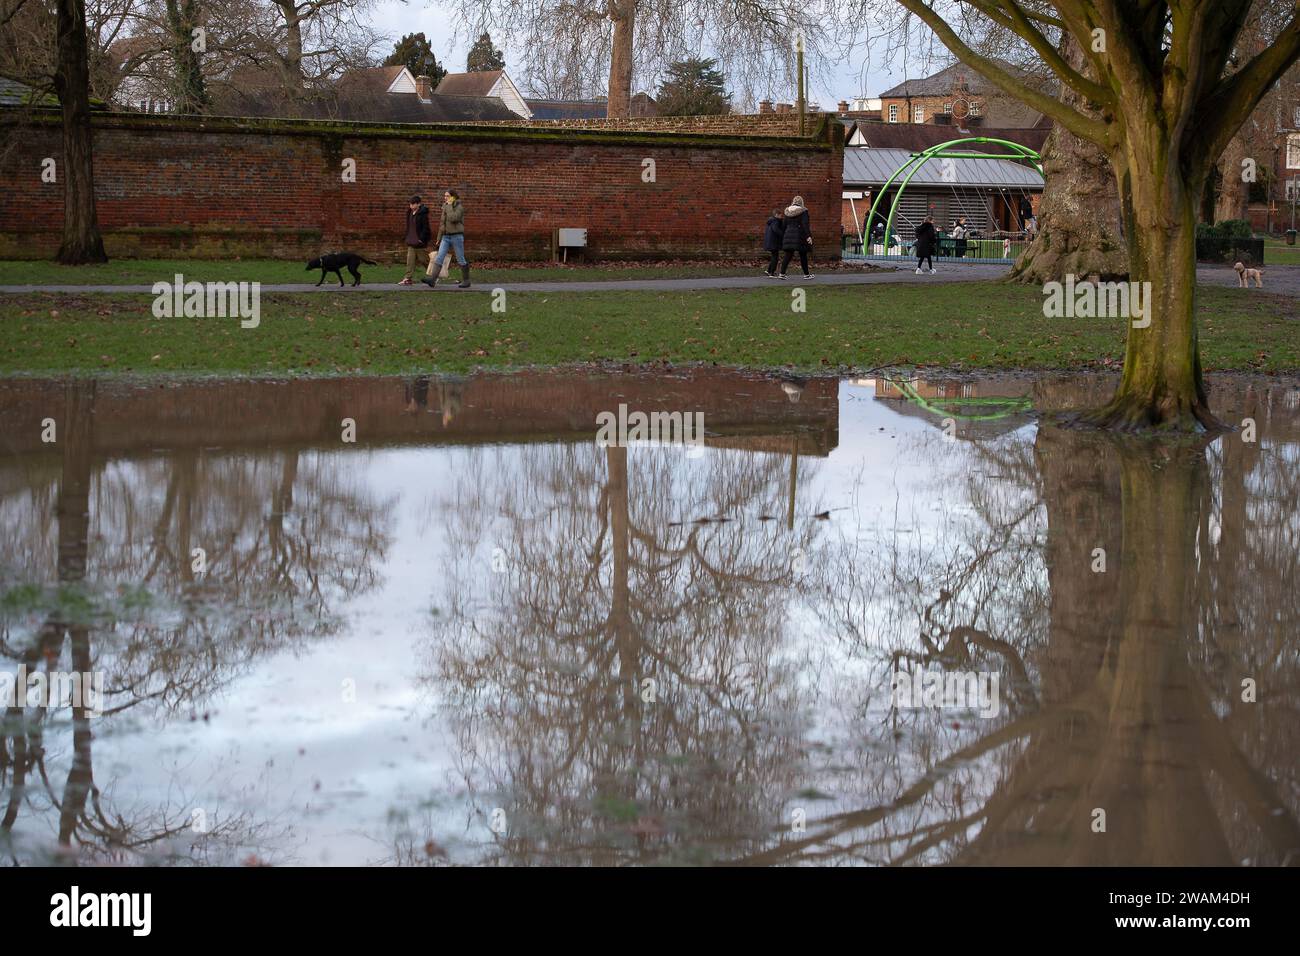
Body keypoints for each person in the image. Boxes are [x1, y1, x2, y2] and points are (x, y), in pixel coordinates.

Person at [421, 189, 470, 288]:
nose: (445, 198)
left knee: (461, 259)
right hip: (446, 237)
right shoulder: (445, 207)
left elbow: (454, 218)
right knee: (439, 257)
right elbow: (442, 224)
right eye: (445, 196)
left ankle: (466, 281)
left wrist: (449, 206)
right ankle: (432, 280)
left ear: (453, 197)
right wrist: (439, 237)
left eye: (447, 196)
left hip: (457, 236)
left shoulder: (459, 207)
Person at [777, 195, 814, 280]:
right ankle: (806, 275)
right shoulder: (803, 211)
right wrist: (808, 236)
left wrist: (784, 236)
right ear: (801, 202)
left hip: (788, 235)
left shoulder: (787, 211)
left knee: (788, 255)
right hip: (800, 235)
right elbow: (805, 225)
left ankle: (782, 274)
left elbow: (784, 226)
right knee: (803, 255)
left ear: (793, 201)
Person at [399, 195, 431, 285]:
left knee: (423, 260)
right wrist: (407, 236)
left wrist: (421, 239)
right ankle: (408, 279)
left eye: (413, 204)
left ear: (418, 204)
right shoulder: (409, 213)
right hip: (411, 241)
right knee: (410, 260)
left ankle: (433, 275)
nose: (411, 206)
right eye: (410, 204)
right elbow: (409, 227)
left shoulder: (422, 214)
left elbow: (426, 228)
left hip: (419, 242)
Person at [763, 208, 785, 277]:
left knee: (774, 256)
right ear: (776, 215)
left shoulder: (771, 221)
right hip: (774, 242)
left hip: (770, 242)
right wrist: (783, 235)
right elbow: (776, 230)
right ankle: (772, 273)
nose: (781, 217)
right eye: (780, 215)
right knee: (775, 257)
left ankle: (768, 271)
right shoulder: (775, 221)